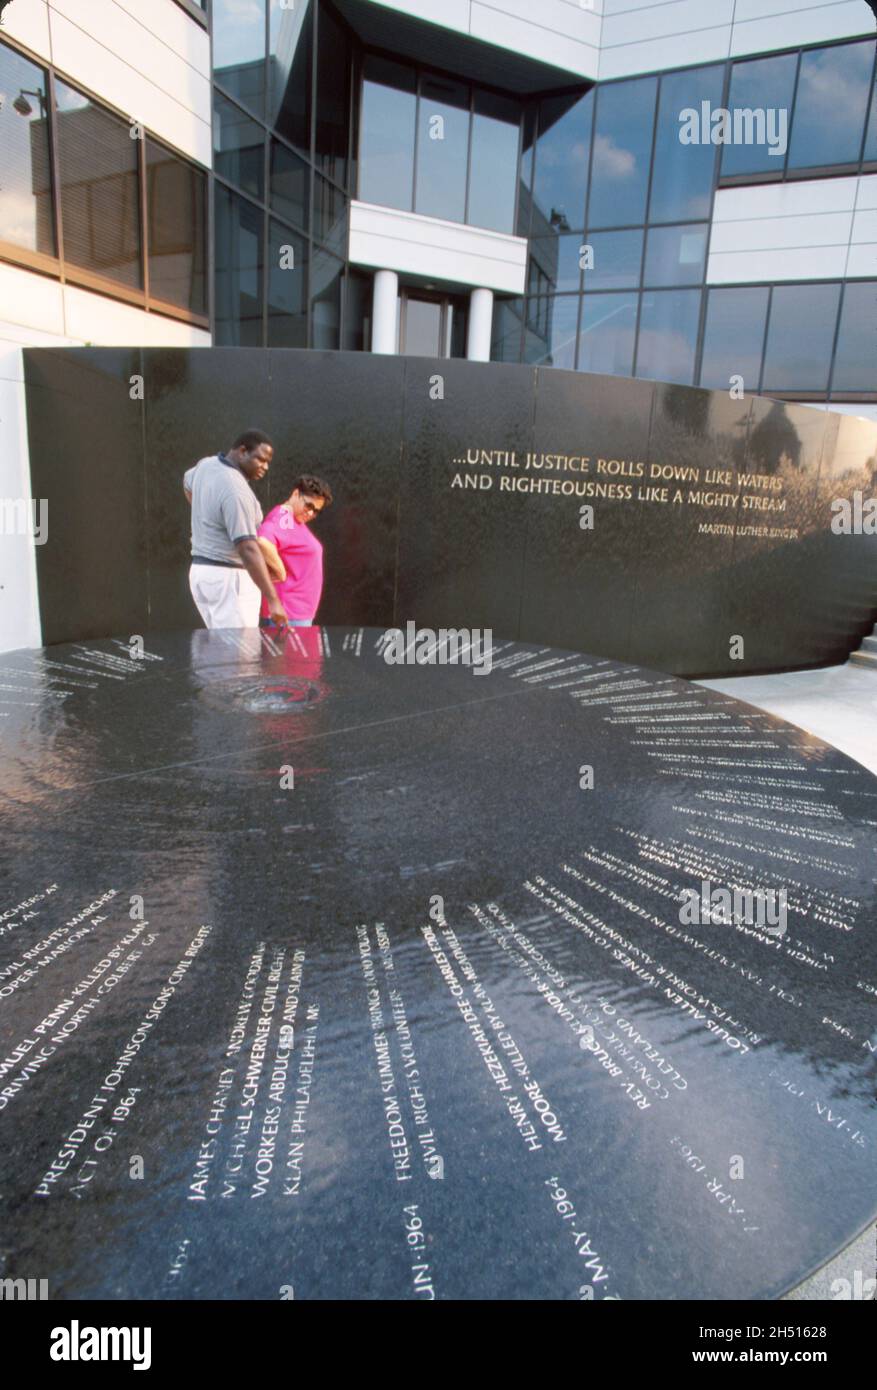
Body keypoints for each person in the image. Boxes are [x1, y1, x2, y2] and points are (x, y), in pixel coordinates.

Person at [183, 429, 288, 630]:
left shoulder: (207, 465)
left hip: (201, 574)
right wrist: (273, 600)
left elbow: (186, 482)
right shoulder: (236, 490)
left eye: (268, 463)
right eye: (261, 459)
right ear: (242, 451)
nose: (265, 467)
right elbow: (247, 548)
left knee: (219, 650)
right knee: (239, 656)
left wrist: (207, 520)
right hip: (229, 579)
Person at [255, 476, 333, 628]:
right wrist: (280, 572)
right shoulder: (284, 517)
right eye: (308, 505)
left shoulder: (294, 520)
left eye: (316, 511)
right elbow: (263, 541)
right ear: (296, 494)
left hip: (297, 613)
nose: (310, 513)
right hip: (289, 613)